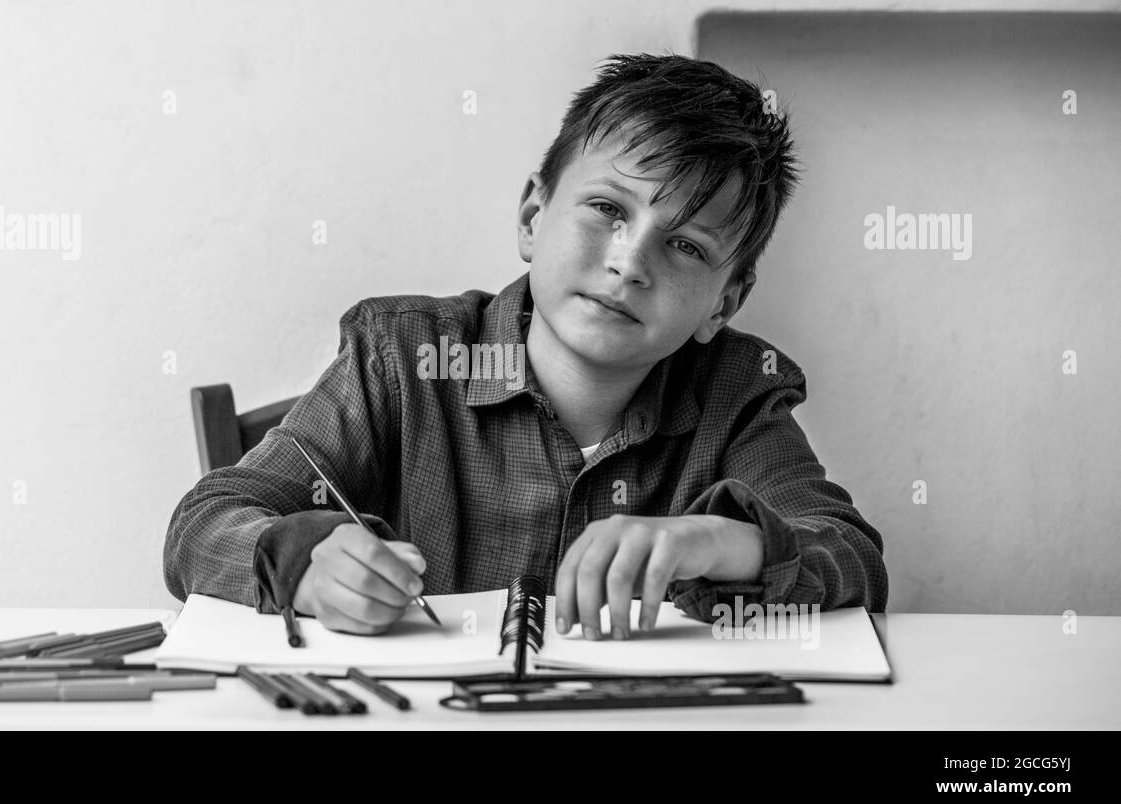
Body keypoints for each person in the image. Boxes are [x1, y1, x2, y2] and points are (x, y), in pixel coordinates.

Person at [163, 53, 887, 641]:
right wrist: (305, 562)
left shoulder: (738, 391)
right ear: (534, 217)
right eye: (607, 209)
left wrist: (720, 542)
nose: (630, 263)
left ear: (724, 303)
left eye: (687, 246)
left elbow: (851, 556)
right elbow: (206, 520)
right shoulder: (402, 358)